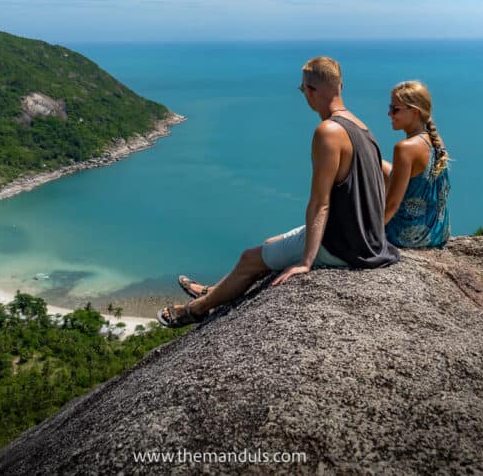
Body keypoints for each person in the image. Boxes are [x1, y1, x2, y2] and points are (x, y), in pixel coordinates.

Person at [157, 57, 399, 328]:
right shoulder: (361, 127)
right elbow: (390, 173)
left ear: (309, 91)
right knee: (271, 243)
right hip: (368, 240)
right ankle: (214, 291)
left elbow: (320, 204)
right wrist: (377, 225)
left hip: (340, 247)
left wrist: (307, 261)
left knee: (250, 258)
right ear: (340, 86)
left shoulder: (328, 132)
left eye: (302, 90)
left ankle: (196, 309)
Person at [381, 80, 450, 249]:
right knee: (375, 162)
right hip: (438, 232)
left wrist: (370, 233)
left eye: (395, 109)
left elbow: (392, 204)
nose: (389, 113)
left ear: (415, 112)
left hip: (408, 237)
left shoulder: (405, 148)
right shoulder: (435, 140)